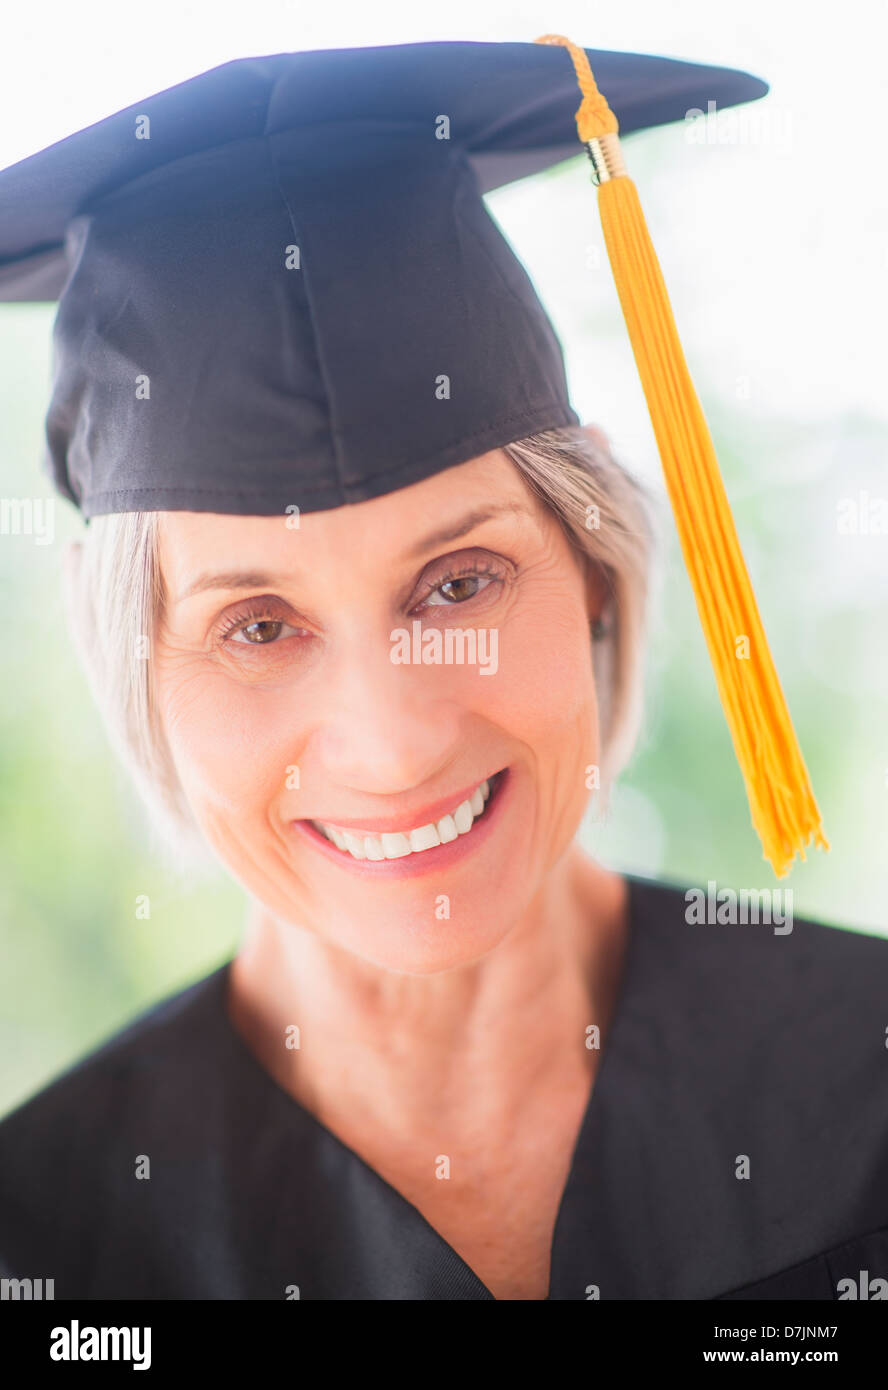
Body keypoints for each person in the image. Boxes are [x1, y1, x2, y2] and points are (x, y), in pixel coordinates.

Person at [0, 38, 885, 1301]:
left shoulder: (867, 1087)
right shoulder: (45, 1253)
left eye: (459, 583)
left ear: (591, 568)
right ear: (135, 665)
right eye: (258, 625)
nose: (394, 741)